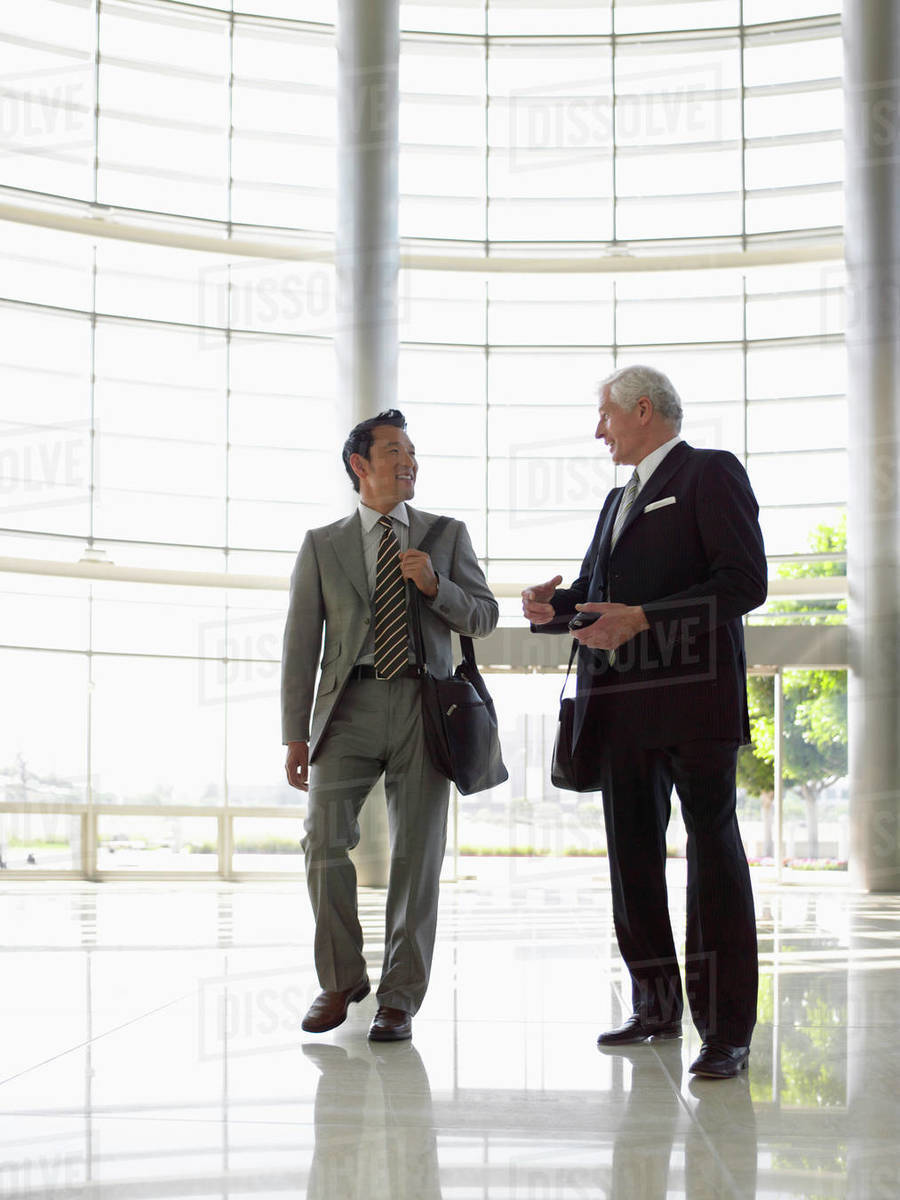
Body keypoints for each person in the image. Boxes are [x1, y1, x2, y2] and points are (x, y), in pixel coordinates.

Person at [522, 365, 767, 1079]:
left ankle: (726, 1032)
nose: (598, 431)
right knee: (632, 863)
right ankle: (655, 1008)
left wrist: (644, 619)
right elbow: (606, 598)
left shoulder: (709, 473)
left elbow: (744, 582)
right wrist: (557, 608)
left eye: (604, 416)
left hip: (695, 703)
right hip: (620, 709)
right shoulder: (614, 500)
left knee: (712, 858)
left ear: (641, 409)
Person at [283, 409, 498, 1042]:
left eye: (412, 452)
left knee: (417, 855)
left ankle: (399, 998)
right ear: (360, 464)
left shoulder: (446, 534)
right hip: (346, 709)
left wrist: (437, 586)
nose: (409, 461)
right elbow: (301, 644)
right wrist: (295, 733)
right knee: (321, 841)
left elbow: (482, 618)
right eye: (395, 451)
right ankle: (341, 977)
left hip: (424, 704)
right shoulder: (322, 544)